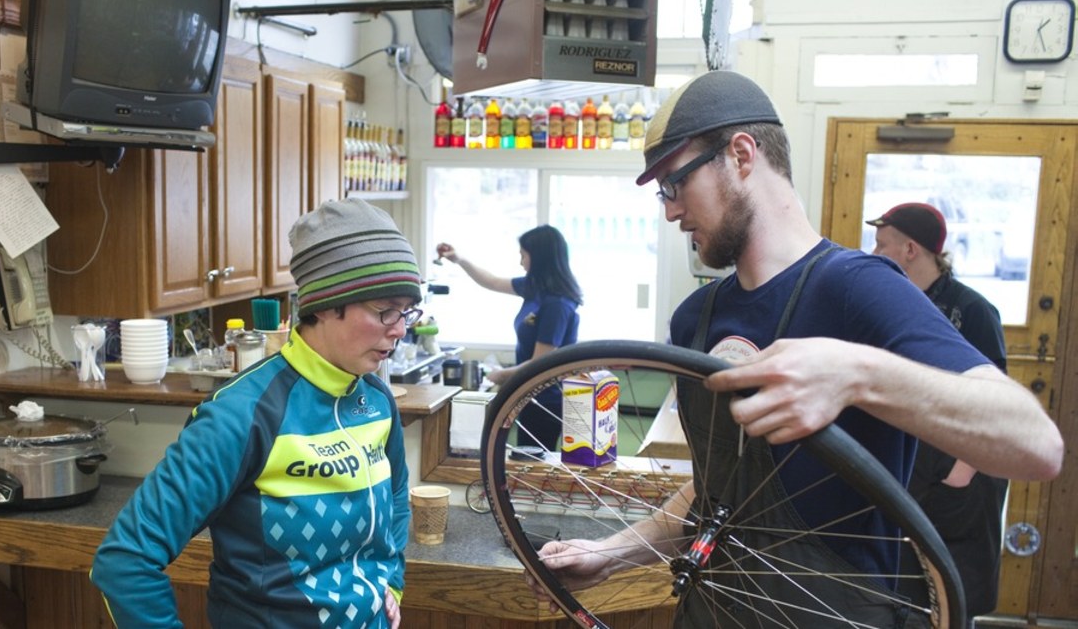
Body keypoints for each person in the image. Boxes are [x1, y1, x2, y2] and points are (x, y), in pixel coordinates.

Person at [527, 71, 1063, 626]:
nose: (668, 210)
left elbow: (1035, 445)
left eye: (674, 183)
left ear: (740, 155)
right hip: (712, 611)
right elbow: (722, 489)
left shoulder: (858, 287)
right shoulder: (697, 317)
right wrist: (613, 553)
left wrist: (859, 374)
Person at [92, 198, 421, 628]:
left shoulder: (377, 402)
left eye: (407, 310)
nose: (399, 328)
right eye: (385, 311)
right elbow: (125, 562)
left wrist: (390, 580)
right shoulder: (242, 414)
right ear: (324, 305)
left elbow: (396, 496)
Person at [869, 201, 1009, 624]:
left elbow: (995, 403)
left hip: (956, 477)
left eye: (881, 244)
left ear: (910, 249)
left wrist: (959, 471)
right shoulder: (889, 302)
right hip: (906, 469)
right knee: (901, 592)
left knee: (951, 596)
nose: (874, 254)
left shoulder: (975, 311)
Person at [435, 225, 582, 450]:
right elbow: (491, 282)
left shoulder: (557, 304)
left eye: (523, 255)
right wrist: (458, 259)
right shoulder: (535, 287)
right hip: (529, 393)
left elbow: (540, 363)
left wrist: (502, 375)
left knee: (533, 462)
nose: (521, 262)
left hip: (546, 400)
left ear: (540, 258)